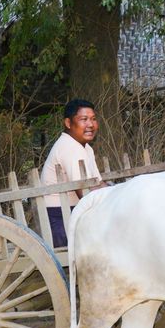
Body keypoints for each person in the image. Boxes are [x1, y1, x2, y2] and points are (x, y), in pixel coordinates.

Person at [40, 98, 106, 247]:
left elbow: (98, 183)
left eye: (93, 119)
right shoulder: (69, 147)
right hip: (60, 216)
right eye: (84, 119)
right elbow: (86, 192)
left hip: (74, 211)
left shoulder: (84, 147)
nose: (90, 124)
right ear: (68, 123)